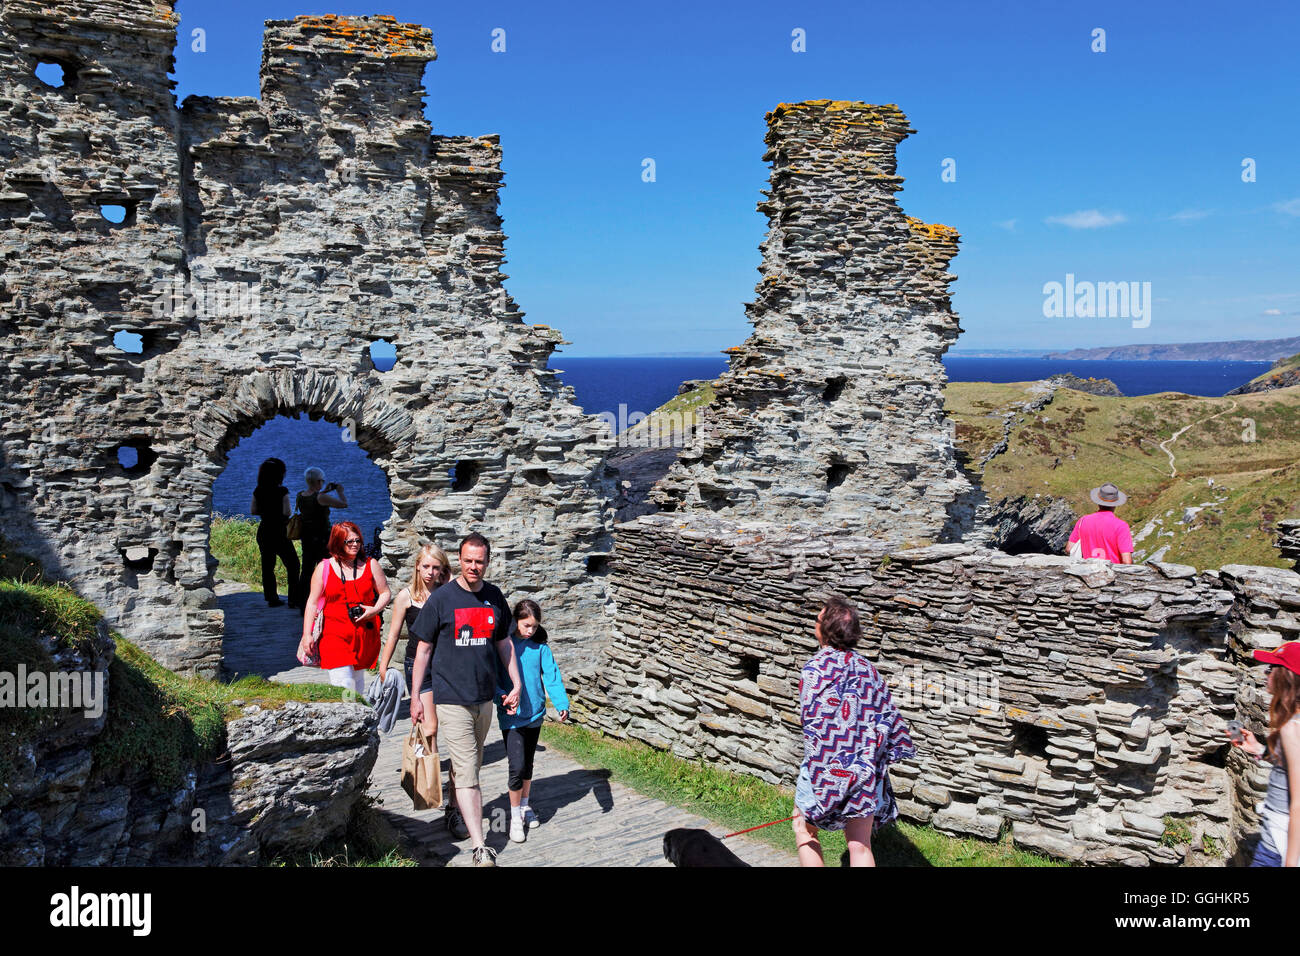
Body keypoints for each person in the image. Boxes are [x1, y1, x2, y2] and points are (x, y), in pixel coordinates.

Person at [409, 532, 522, 867]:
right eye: (468, 560)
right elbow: (423, 650)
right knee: (470, 771)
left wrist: (516, 683)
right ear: (460, 560)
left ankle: (454, 808)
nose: (474, 567)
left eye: (480, 561)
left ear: (488, 561)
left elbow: (504, 644)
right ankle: (480, 846)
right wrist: (415, 697)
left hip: (484, 698)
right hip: (450, 698)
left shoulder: (494, 596)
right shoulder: (442, 599)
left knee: (466, 765)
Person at [792, 596, 915, 867]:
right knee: (860, 845)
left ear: (825, 630)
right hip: (864, 772)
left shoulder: (814, 669)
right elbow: (890, 721)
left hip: (822, 770)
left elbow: (812, 726)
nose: (814, 624)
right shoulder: (869, 670)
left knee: (804, 830)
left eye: (817, 620)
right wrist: (869, 755)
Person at [377, 544, 467, 837]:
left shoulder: (448, 591)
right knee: (430, 726)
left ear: (443, 569)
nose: (430, 573)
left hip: (449, 664)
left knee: (454, 729)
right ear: (417, 566)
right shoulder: (406, 596)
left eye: (436, 568)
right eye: (426, 567)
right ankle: (431, 780)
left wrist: (449, 576)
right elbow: (393, 634)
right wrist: (383, 665)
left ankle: (452, 795)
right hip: (419, 665)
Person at [495, 599, 570, 844]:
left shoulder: (541, 648)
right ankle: (515, 818)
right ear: (516, 621)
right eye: (527, 625)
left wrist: (561, 704)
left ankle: (525, 806)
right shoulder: (504, 645)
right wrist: (501, 696)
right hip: (512, 716)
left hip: (535, 713)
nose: (530, 631)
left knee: (527, 764)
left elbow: (552, 676)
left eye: (535, 627)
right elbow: (493, 676)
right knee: (516, 767)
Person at [1228, 641, 1300, 867]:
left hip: (1278, 845)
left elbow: (1298, 802)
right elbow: (1290, 768)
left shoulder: (1292, 729)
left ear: (1285, 677)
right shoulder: (1293, 723)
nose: (1265, 673)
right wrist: (1259, 750)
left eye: (1271, 669)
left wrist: (1290, 863)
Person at [298, 521, 390, 694]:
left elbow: (385, 592)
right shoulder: (324, 568)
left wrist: (375, 609)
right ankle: (348, 716)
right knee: (343, 682)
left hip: (363, 634)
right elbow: (311, 602)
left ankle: (359, 715)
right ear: (338, 542)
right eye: (349, 541)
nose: (355, 545)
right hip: (334, 635)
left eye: (358, 541)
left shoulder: (371, 565)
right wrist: (307, 634)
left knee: (357, 680)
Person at [295, 467, 347, 616]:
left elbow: (315, 499)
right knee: (327, 570)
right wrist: (340, 491)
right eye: (322, 481)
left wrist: (324, 491)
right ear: (318, 481)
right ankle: (329, 602)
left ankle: (303, 604)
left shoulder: (300, 495)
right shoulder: (321, 498)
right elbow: (343, 504)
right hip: (322, 538)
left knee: (307, 571)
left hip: (307, 537)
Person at [250, 457, 301, 608]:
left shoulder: (258, 491)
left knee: (267, 565)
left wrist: (266, 511)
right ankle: (293, 599)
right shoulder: (282, 491)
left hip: (264, 530)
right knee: (293, 565)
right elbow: (287, 511)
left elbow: (253, 510)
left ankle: (271, 598)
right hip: (280, 531)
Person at [1066, 482, 1134, 564]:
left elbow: (1069, 549)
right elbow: (1127, 561)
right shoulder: (1121, 526)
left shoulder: (1083, 520)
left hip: (1087, 572)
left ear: (1098, 502)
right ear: (1115, 503)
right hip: (1111, 574)